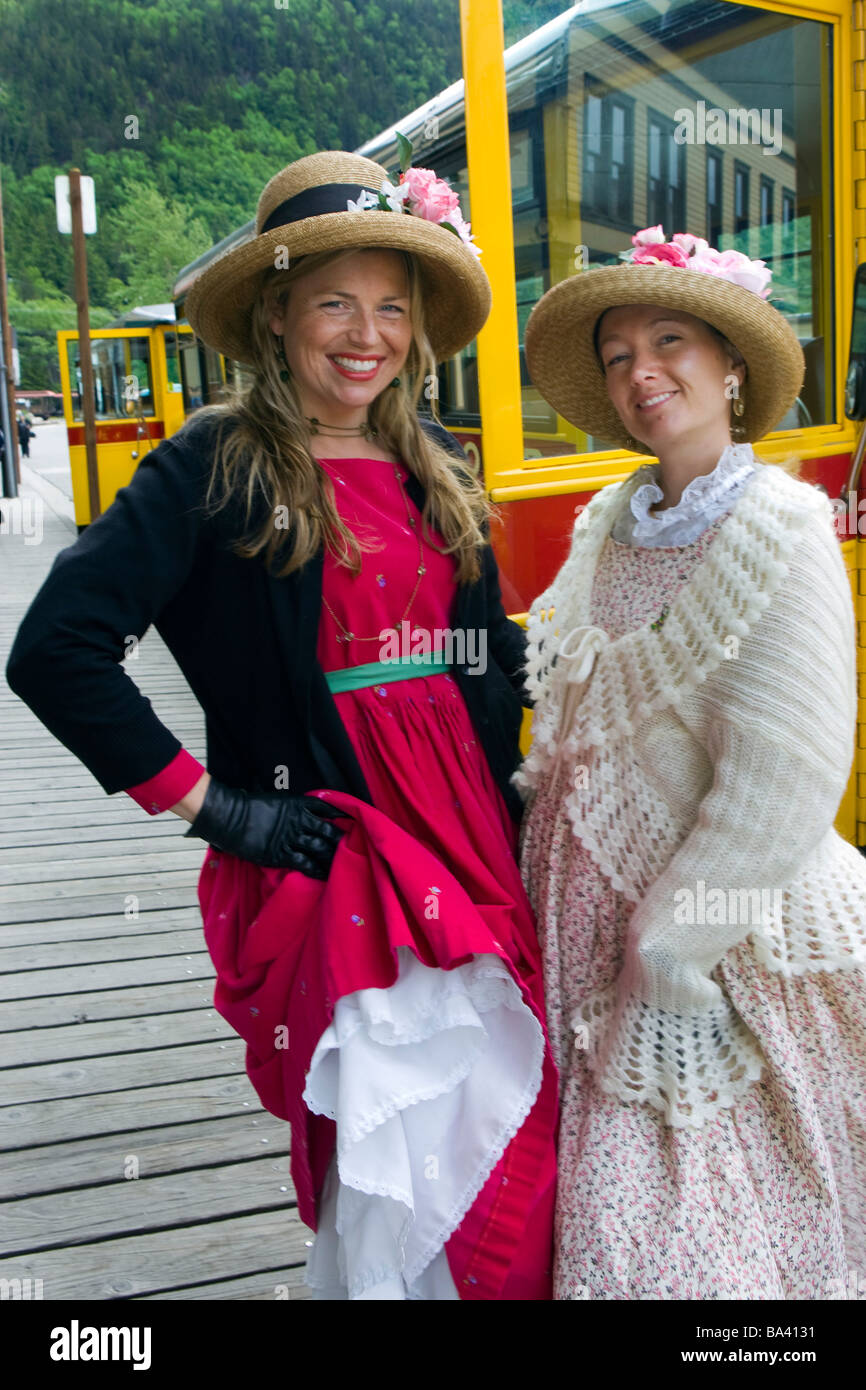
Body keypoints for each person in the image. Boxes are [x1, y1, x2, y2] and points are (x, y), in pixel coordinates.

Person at [6, 150, 557, 1301]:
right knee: (410, 1130)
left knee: (510, 1129)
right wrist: (213, 808)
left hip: (465, 833)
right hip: (336, 840)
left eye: (391, 309)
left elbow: (483, 654)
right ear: (276, 314)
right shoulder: (214, 462)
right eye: (336, 305)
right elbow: (54, 646)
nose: (367, 335)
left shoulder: (435, 464)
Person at [517, 227, 866, 1300]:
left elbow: (785, 777)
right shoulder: (605, 522)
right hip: (577, 926)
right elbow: (569, 713)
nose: (639, 373)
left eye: (667, 341)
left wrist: (668, 945)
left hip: (715, 940)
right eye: (617, 357)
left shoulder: (777, 527)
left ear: (728, 367)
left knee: (694, 1238)